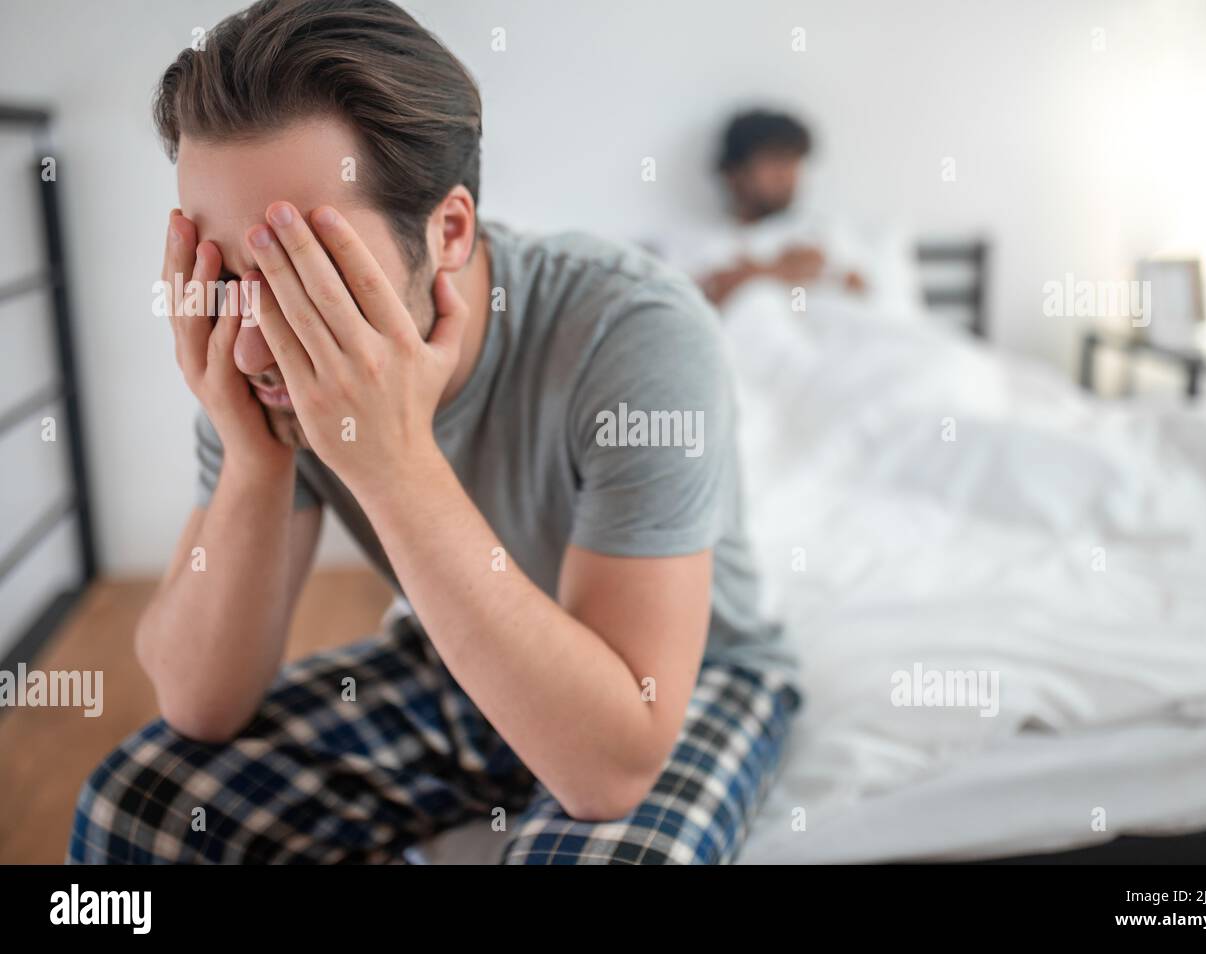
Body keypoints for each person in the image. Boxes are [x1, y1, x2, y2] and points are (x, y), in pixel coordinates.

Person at [67, 0, 799, 865]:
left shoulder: (635, 329)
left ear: (447, 230)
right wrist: (253, 452)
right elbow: (198, 701)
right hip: (457, 656)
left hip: (684, 678)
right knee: (139, 806)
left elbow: (609, 767)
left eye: (308, 276)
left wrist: (393, 462)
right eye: (221, 273)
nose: (257, 339)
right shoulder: (251, 360)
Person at [685, 109, 872, 306]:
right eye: (775, 162)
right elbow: (696, 304)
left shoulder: (825, 233)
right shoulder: (700, 245)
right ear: (734, 172)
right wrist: (781, 271)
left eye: (793, 162)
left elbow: (866, 293)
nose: (786, 175)